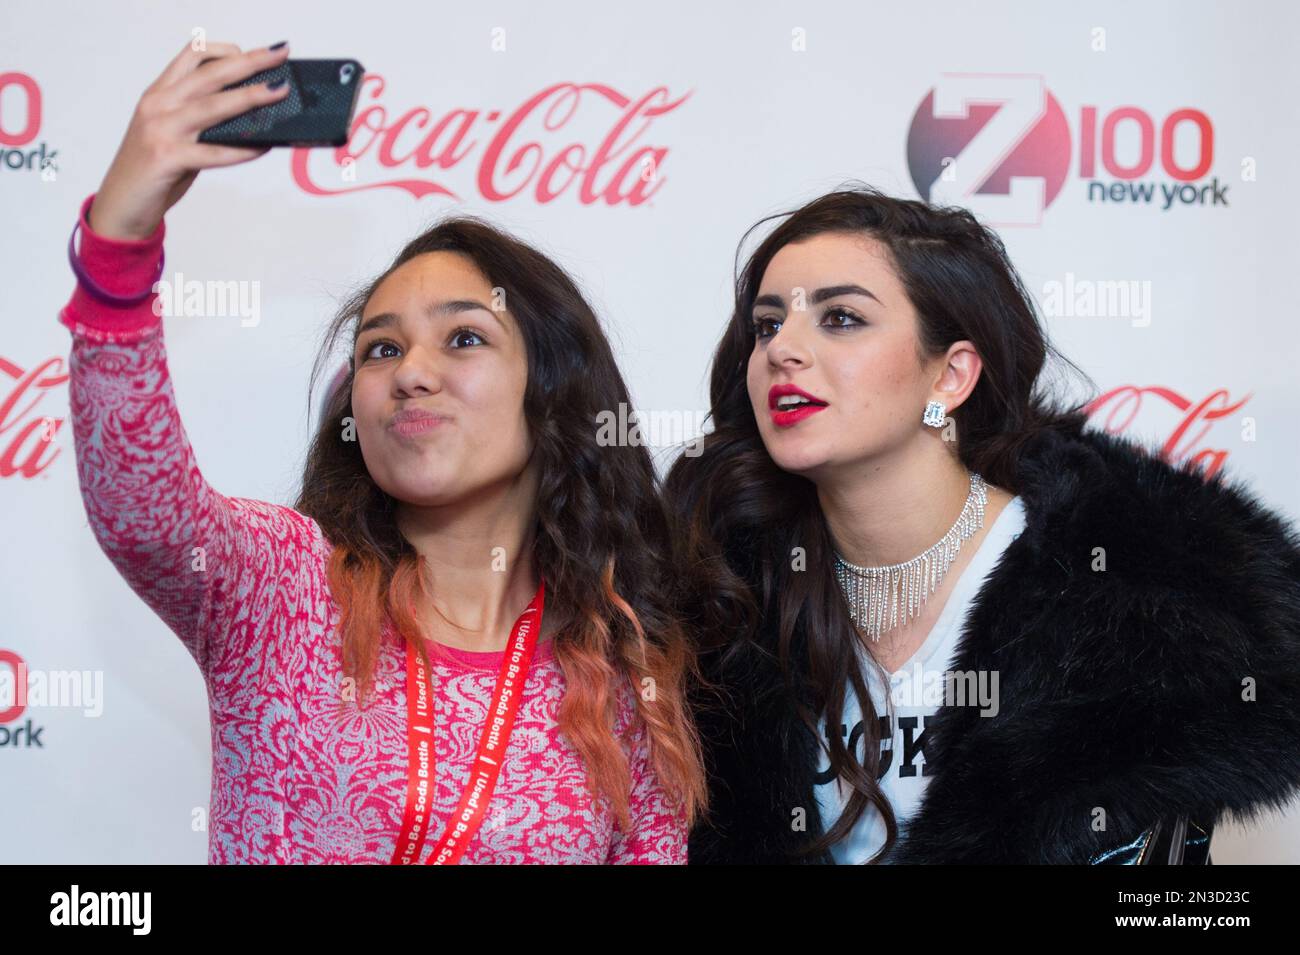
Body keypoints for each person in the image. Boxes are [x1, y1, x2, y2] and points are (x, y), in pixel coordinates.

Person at [62, 38, 704, 864]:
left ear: (553, 391)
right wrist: (122, 236)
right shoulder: (285, 587)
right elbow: (144, 513)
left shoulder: (620, 674)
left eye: (463, 338)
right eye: (381, 349)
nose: (411, 375)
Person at [666, 184, 1300, 864]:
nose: (782, 351)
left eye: (841, 318)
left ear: (952, 376)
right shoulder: (724, 599)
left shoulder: (1129, 607)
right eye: (767, 325)